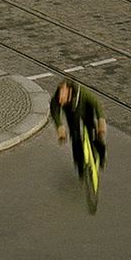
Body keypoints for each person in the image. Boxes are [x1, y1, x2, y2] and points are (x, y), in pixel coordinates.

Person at [50, 76, 107, 211]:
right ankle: (80, 166)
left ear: (69, 90)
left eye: (63, 94)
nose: (61, 98)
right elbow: (55, 112)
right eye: (60, 94)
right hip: (72, 117)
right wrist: (60, 128)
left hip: (86, 112)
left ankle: (101, 155)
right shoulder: (57, 99)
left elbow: (96, 104)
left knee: (95, 135)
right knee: (75, 138)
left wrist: (101, 121)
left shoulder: (82, 93)